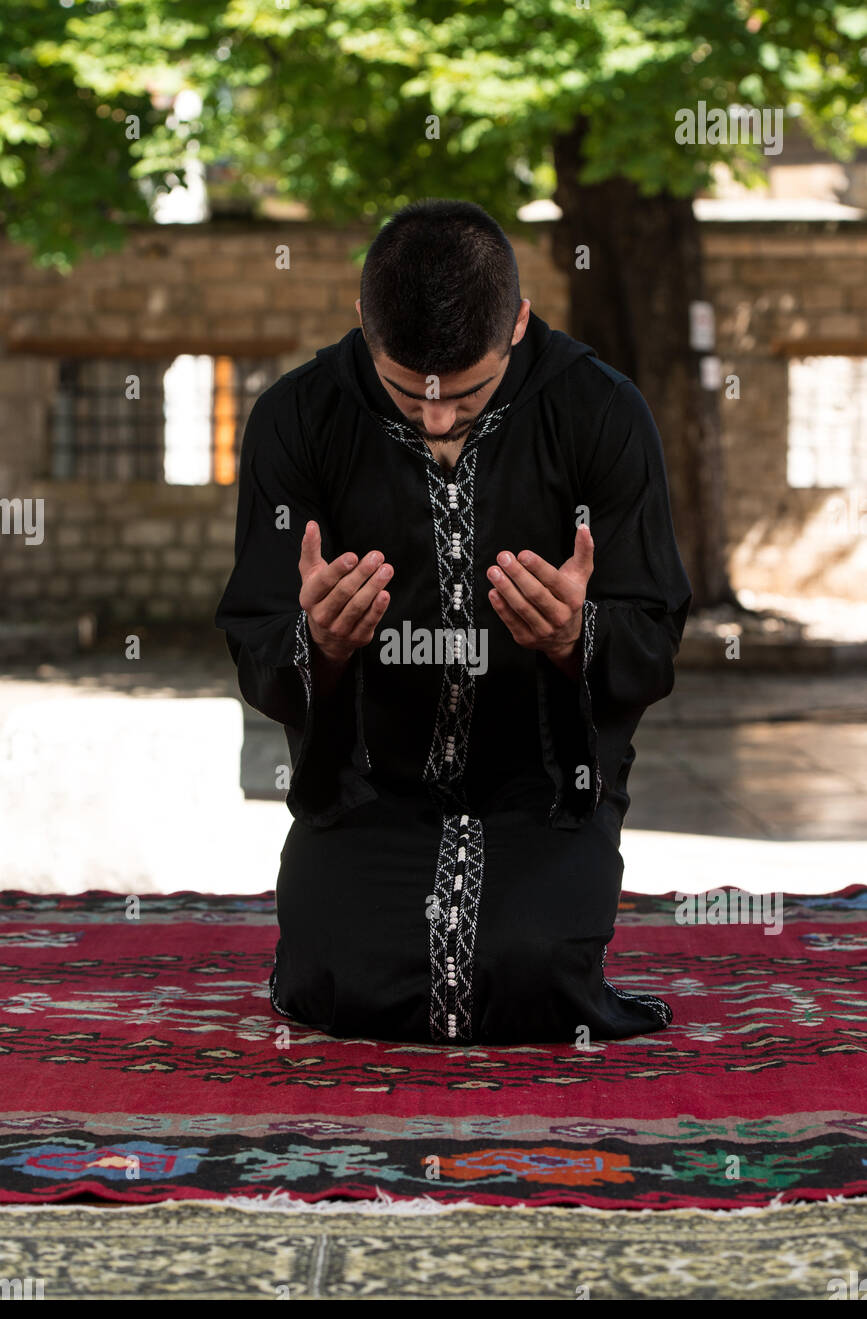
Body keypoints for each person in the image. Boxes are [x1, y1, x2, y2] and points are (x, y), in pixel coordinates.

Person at [214, 198, 692, 1045]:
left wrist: (576, 638)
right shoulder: (295, 418)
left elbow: (652, 641)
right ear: (363, 322)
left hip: (545, 788)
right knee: (342, 982)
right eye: (407, 393)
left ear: (516, 324)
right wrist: (315, 642)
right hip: (364, 788)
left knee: (531, 973)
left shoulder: (601, 413)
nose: (436, 423)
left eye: (466, 395)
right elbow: (256, 635)